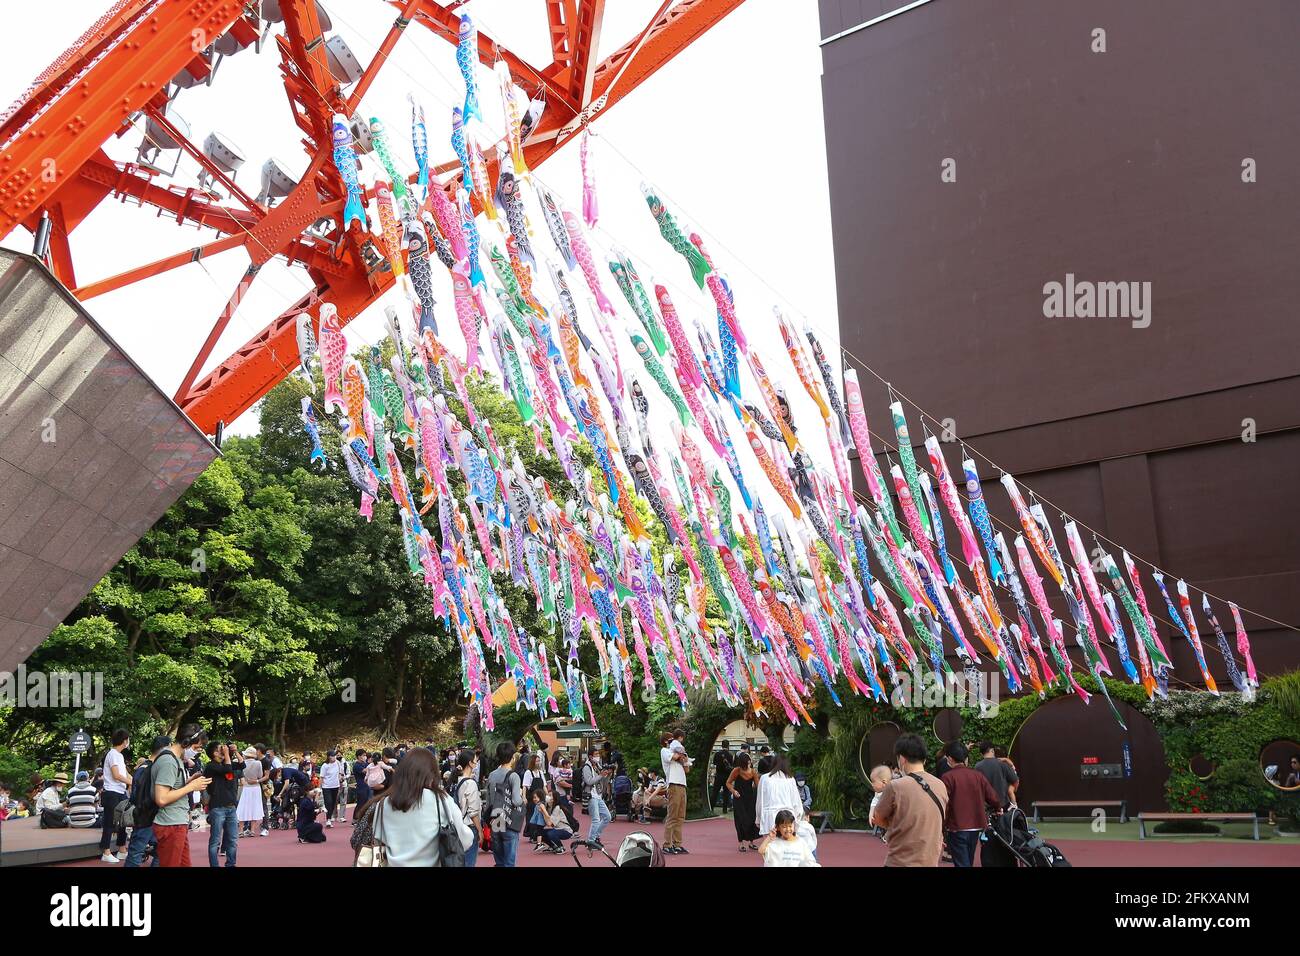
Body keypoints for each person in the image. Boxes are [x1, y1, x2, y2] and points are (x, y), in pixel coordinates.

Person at [365, 747, 472, 866]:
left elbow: (377, 841)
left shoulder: (383, 804)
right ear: (431, 773)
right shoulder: (441, 800)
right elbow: (465, 840)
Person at [871, 733, 948, 867]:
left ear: (902, 758)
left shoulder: (895, 786)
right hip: (930, 861)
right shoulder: (940, 785)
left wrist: (897, 824)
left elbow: (877, 818)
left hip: (900, 861)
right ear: (924, 759)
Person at [151, 724, 210, 867]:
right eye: (197, 748)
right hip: (171, 824)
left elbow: (171, 787)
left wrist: (189, 782)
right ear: (186, 743)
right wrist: (191, 786)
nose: (197, 752)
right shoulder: (169, 761)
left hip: (176, 822)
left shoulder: (174, 760)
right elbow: (162, 798)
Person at [940, 741, 1001, 867]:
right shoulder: (977, 776)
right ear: (965, 758)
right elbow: (992, 796)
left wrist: (941, 826)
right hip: (976, 825)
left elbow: (943, 803)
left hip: (956, 826)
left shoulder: (947, 777)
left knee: (962, 863)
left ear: (950, 759)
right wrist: (998, 808)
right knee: (969, 859)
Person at [124, 736, 170, 868]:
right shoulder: (153, 768)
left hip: (142, 814)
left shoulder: (141, 768)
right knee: (151, 851)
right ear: (165, 748)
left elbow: (134, 794)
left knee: (138, 851)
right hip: (150, 815)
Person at [204, 741, 244, 867]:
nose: (223, 750)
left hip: (231, 807)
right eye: (220, 749)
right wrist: (227, 754)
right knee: (215, 841)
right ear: (215, 753)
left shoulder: (227, 763)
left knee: (232, 840)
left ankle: (231, 864)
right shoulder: (211, 766)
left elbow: (243, 765)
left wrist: (235, 751)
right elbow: (226, 769)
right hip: (217, 807)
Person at [486, 741, 525, 866]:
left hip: (495, 820)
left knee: (500, 861)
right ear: (513, 757)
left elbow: (489, 801)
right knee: (509, 862)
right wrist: (523, 797)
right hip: (509, 821)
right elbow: (516, 801)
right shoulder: (514, 776)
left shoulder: (492, 775)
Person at [100, 729, 132, 862]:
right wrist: (133, 782)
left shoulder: (119, 755)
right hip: (111, 792)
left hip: (120, 792)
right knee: (110, 822)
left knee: (124, 821)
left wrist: (135, 780)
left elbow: (124, 774)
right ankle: (106, 852)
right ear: (124, 741)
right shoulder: (112, 754)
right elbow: (116, 775)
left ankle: (122, 849)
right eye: (128, 739)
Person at [660, 730, 691, 854]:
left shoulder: (677, 751)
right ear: (665, 742)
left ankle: (677, 844)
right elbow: (676, 757)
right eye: (671, 740)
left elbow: (687, 768)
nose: (674, 742)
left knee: (680, 816)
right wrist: (681, 754)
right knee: (672, 816)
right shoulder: (665, 751)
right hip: (673, 784)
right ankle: (667, 844)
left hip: (682, 785)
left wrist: (685, 758)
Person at [726, 752, 760, 852]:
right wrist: (733, 791)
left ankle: (751, 842)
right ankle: (741, 843)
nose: (749, 765)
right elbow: (728, 783)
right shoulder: (736, 770)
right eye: (747, 763)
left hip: (750, 798)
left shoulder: (753, 772)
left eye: (749, 762)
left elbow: (758, 785)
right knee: (740, 820)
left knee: (751, 819)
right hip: (739, 798)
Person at [453, 749, 482, 867]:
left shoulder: (457, 781)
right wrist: (480, 830)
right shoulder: (471, 783)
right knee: (469, 862)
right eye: (475, 761)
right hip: (470, 826)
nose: (476, 763)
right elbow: (473, 812)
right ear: (470, 763)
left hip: (459, 825)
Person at [974, 741, 1019, 808]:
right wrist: (1012, 791)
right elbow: (1015, 780)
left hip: (985, 806)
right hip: (1003, 804)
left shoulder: (977, 767)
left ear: (981, 754)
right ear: (992, 750)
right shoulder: (1002, 763)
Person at [582, 749, 612, 847]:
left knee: (607, 817)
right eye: (596, 754)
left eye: (598, 754)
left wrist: (608, 775)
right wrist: (600, 775)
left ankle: (595, 837)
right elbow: (589, 781)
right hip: (591, 795)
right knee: (596, 819)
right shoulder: (586, 767)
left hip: (598, 796)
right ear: (590, 756)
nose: (598, 756)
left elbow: (603, 781)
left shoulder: (597, 766)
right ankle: (591, 841)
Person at [236, 746, 267, 837]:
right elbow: (260, 775)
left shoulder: (242, 763)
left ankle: (241, 830)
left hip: (246, 786)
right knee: (254, 807)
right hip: (255, 787)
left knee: (243, 807)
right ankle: (252, 830)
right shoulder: (258, 763)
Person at [319, 750, 343, 829]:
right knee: (328, 802)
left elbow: (340, 772)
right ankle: (328, 820)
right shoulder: (325, 765)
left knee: (333, 803)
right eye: (333, 756)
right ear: (329, 757)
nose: (334, 757)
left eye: (335, 756)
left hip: (335, 785)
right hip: (326, 786)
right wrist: (320, 787)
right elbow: (321, 777)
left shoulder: (337, 763)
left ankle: (329, 817)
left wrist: (340, 778)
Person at [867, 764, 893, 833]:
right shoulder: (878, 793)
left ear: (883, 782)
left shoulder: (893, 792)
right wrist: (871, 813)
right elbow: (874, 801)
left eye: (873, 781)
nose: (872, 784)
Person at [711, 740, 734, 813]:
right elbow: (731, 766)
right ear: (728, 746)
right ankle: (724, 809)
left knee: (715, 792)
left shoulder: (717, 754)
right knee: (726, 793)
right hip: (727, 776)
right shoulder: (730, 755)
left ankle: (711, 807)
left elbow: (714, 763)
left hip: (719, 775)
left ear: (721, 745)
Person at [351, 749, 371, 823]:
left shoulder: (365, 764)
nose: (365, 757)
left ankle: (363, 818)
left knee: (367, 802)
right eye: (363, 755)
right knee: (360, 803)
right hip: (361, 786)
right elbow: (365, 771)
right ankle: (355, 819)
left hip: (367, 786)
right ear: (359, 757)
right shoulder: (356, 765)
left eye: (365, 755)